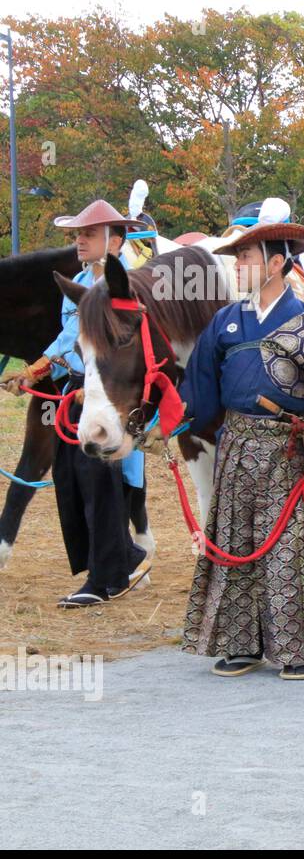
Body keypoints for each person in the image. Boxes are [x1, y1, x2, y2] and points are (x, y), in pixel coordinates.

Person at [176, 216, 304, 681]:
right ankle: (241, 646)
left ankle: (294, 650)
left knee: (288, 548)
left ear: (275, 263)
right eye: (235, 259)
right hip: (234, 447)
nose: (237, 266)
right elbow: (200, 389)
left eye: (245, 258)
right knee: (234, 546)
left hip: (289, 451)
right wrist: (173, 422)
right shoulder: (225, 322)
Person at [1, 199, 151, 607]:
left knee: (97, 479)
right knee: (71, 477)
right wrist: (33, 372)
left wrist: (34, 370)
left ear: (116, 240)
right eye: (78, 234)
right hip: (77, 390)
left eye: (88, 234)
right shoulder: (80, 280)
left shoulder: (127, 287)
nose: (78, 241)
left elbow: (95, 341)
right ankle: (120, 560)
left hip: (109, 394)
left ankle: (108, 578)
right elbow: (70, 334)